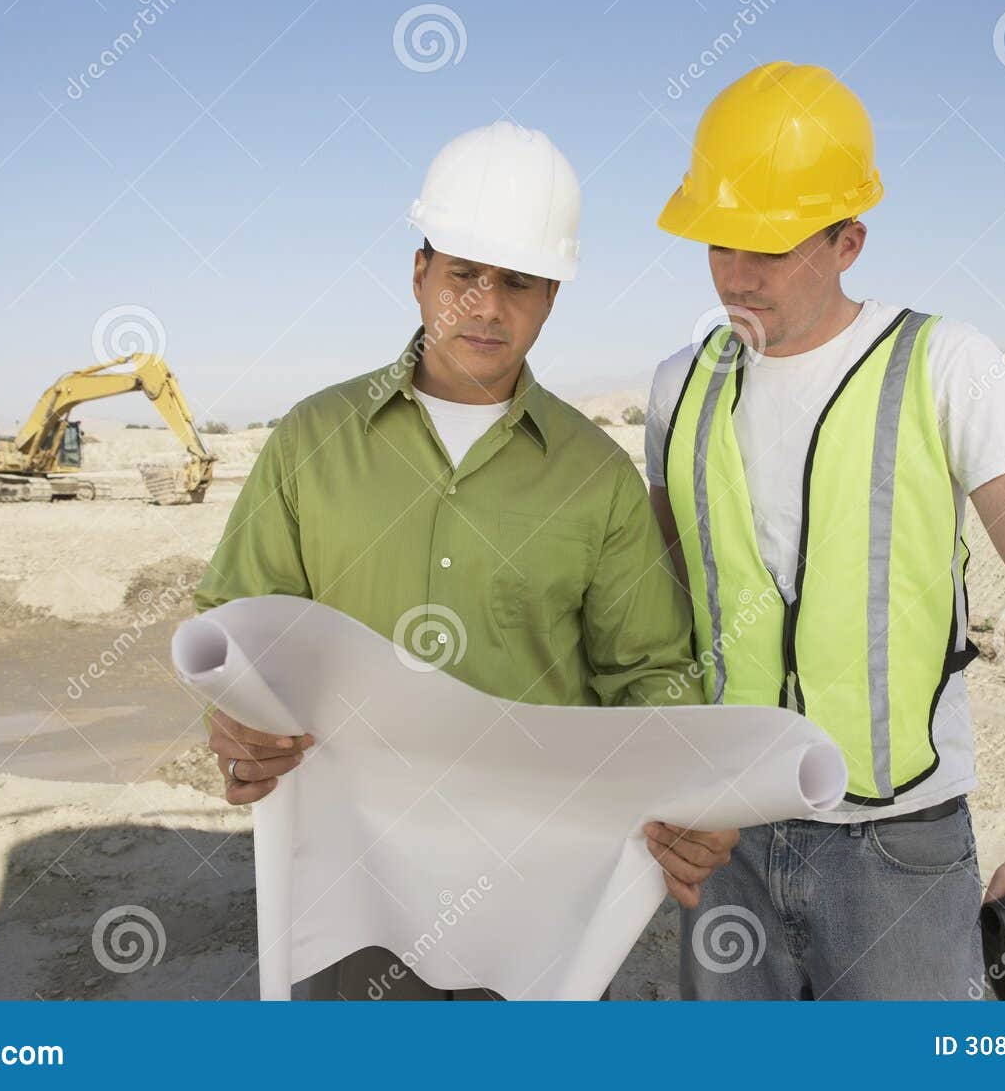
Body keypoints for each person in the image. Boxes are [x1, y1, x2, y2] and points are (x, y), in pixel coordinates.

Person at [192, 120, 738, 1000]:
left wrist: (687, 785)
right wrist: (235, 721)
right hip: (347, 881)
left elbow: (648, 671)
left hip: (533, 897)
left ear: (552, 295)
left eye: (518, 282)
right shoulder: (310, 441)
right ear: (419, 275)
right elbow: (238, 632)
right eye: (464, 274)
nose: (487, 305)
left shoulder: (595, 477)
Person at [646, 62, 1005, 999]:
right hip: (724, 836)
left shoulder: (945, 366)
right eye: (716, 244)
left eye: (768, 247)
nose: (734, 276)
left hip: (896, 850)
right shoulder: (679, 387)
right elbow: (666, 610)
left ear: (848, 240)